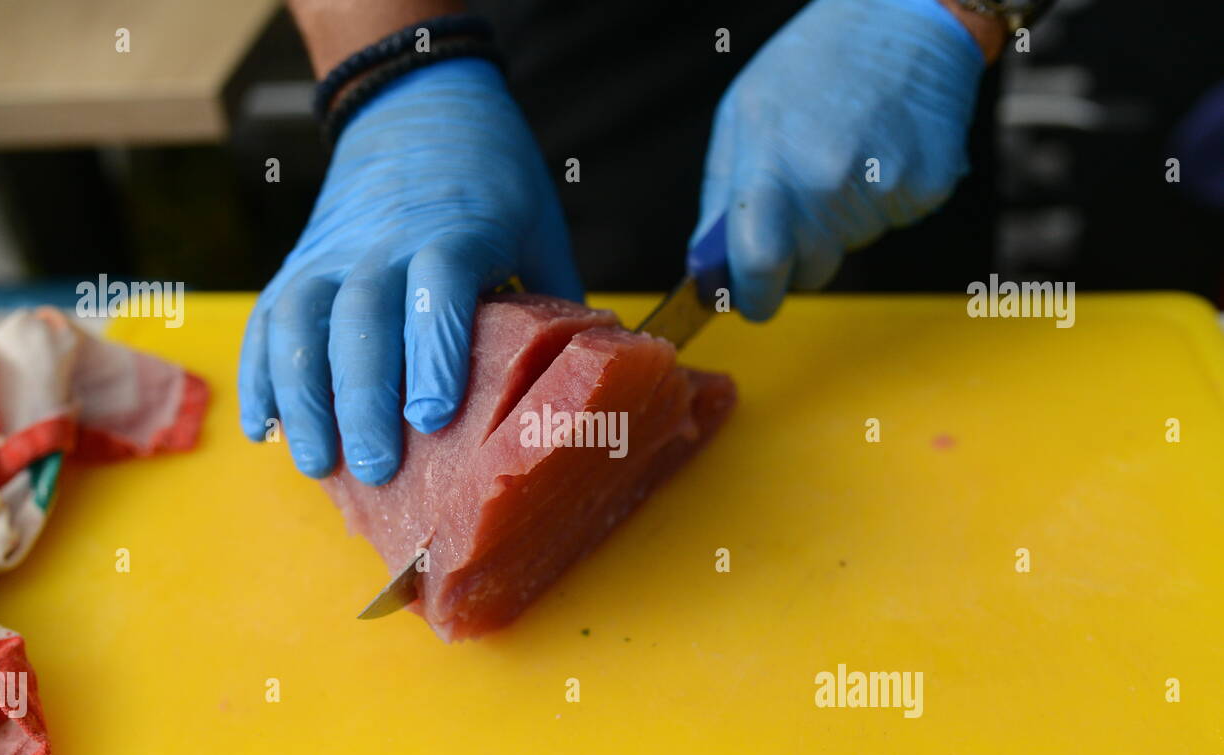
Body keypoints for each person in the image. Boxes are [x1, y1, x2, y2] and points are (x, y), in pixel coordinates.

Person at [239, 0, 1037, 485]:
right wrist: (396, 73)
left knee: (905, 298)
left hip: (875, 49)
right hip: (540, 45)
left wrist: (954, 11)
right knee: (525, 303)